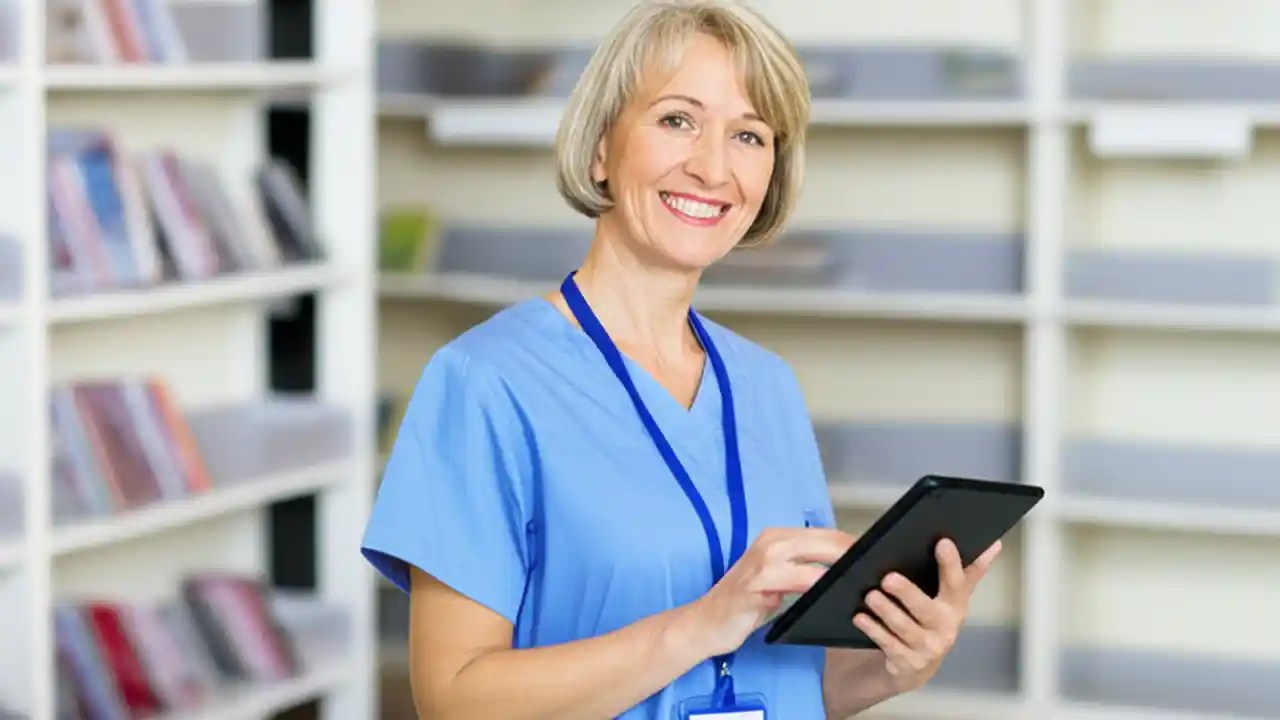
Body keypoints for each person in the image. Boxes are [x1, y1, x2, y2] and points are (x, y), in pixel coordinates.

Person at [361, 1, 1003, 717]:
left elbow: (794, 681)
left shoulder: (766, 386)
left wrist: (897, 663)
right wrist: (698, 626)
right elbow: (453, 701)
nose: (712, 167)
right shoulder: (485, 382)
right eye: (677, 120)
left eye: (749, 136)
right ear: (602, 146)